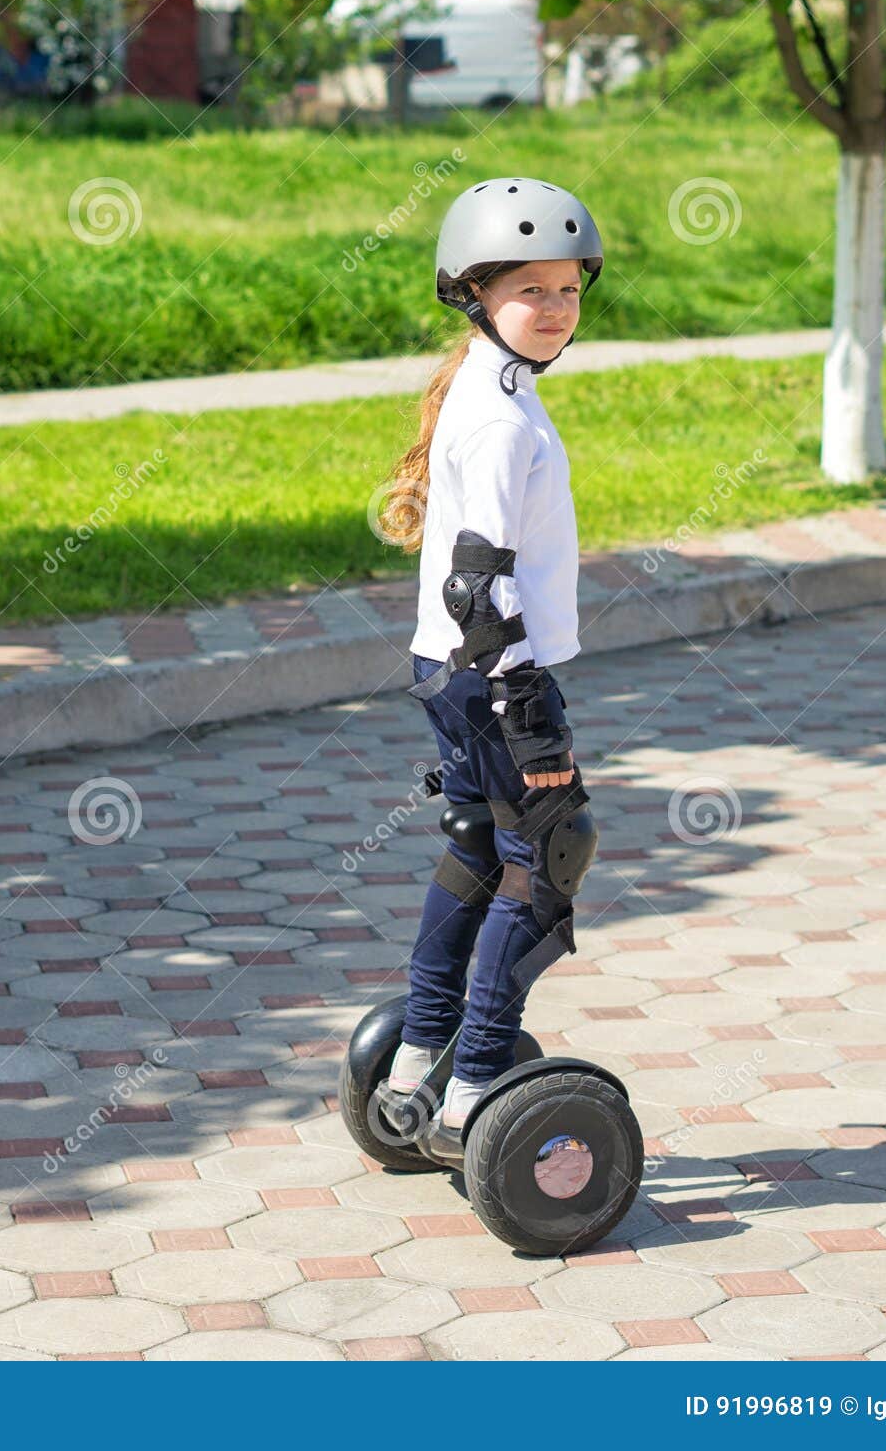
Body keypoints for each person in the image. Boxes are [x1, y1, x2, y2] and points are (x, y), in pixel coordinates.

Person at [374, 177, 603, 1154]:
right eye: (529, 292)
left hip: (447, 669)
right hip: (492, 673)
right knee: (543, 862)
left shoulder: (482, 378)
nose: (553, 310)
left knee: (475, 846)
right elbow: (480, 587)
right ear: (474, 294)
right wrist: (530, 715)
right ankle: (474, 1089)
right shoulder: (503, 419)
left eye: (568, 289)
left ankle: (413, 1064)